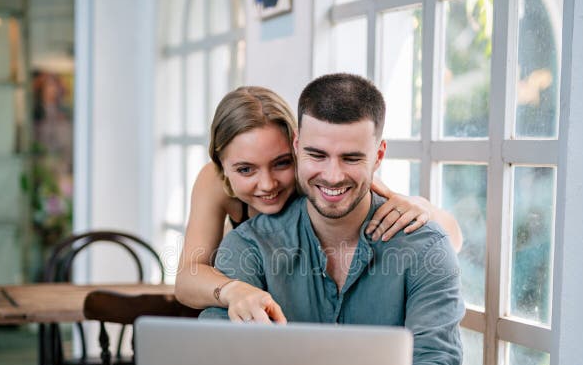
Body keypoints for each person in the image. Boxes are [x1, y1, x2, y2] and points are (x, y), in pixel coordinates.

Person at [200, 74, 465, 365]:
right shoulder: (248, 244)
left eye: (352, 158)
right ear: (296, 147)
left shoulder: (424, 247)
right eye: (317, 155)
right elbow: (218, 361)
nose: (333, 175)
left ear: (379, 154)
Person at [174, 86, 463, 323]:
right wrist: (233, 289)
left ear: (298, 149)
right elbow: (188, 276)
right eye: (246, 170)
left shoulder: (324, 181)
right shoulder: (213, 182)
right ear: (221, 164)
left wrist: (420, 206)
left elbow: (451, 237)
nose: (267, 184)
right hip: (241, 289)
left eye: (282, 163)